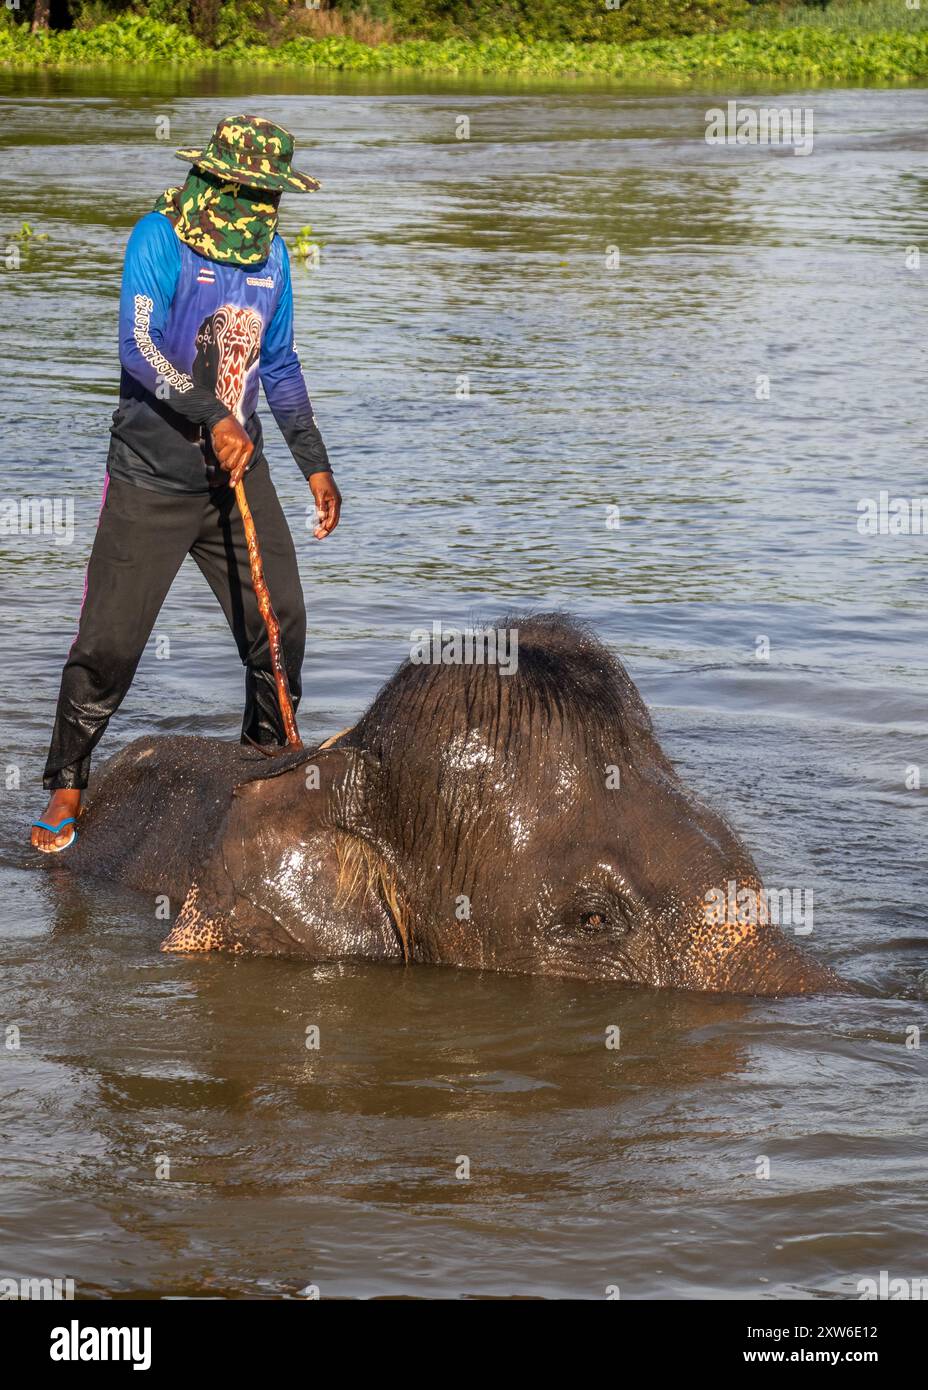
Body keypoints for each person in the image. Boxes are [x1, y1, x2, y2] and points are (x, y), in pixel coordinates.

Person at [31, 115, 341, 852]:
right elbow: (139, 350)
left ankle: (264, 767)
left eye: (272, 196)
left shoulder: (273, 259)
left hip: (236, 477)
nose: (262, 210)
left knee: (279, 627)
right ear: (217, 180)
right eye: (251, 192)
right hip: (152, 475)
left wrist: (315, 462)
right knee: (109, 645)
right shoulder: (158, 237)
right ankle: (67, 785)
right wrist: (211, 415)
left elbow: (282, 363)